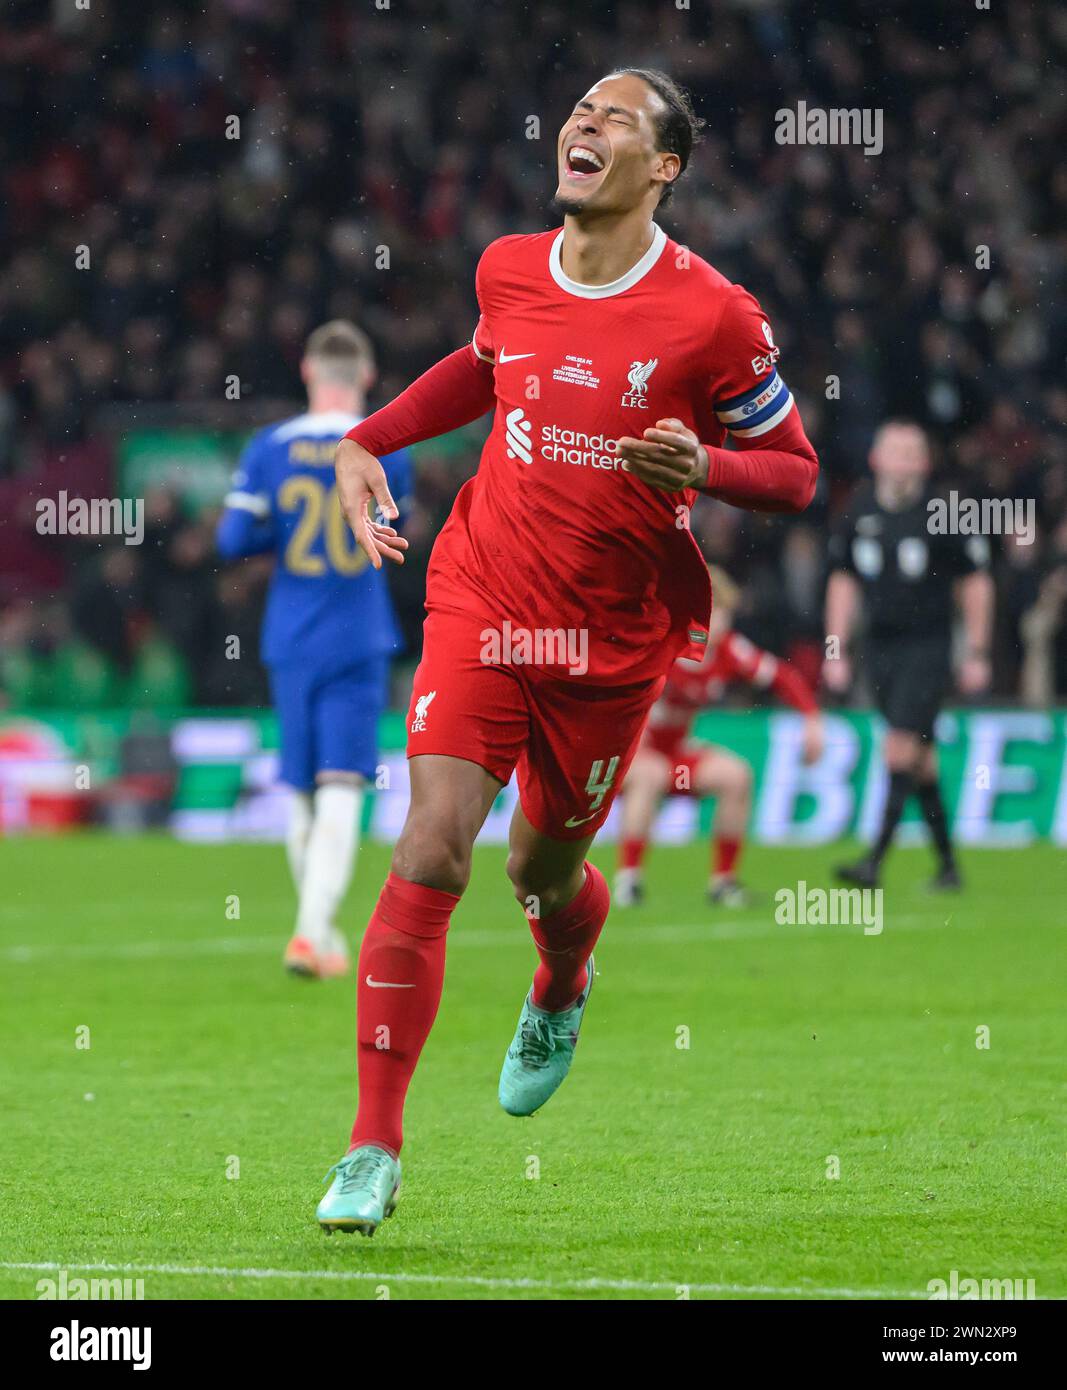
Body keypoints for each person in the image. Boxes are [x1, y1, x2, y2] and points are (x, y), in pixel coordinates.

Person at [317, 69, 818, 1235]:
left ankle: (560, 980)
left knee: (539, 873)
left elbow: (793, 471)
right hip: (482, 594)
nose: (581, 124)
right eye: (578, 110)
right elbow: (480, 367)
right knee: (434, 846)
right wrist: (367, 439)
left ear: (665, 168)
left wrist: (707, 468)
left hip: (610, 640)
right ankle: (371, 1147)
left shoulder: (715, 316)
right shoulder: (507, 266)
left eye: (614, 118)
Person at [216, 321, 412, 977]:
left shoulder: (269, 447)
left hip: (290, 635)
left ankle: (316, 935)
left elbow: (231, 539)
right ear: (366, 377)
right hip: (357, 631)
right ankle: (310, 932)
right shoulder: (388, 446)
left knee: (300, 784)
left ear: (307, 372)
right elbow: (392, 529)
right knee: (342, 779)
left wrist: (281, 528)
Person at [823, 420, 993, 890]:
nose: (904, 458)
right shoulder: (858, 508)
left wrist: (976, 651)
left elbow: (975, 581)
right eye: (894, 449)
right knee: (921, 759)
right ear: (876, 458)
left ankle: (872, 863)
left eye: (912, 450)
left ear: (925, 461)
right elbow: (843, 579)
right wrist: (835, 649)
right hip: (879, 648)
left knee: (899, 746)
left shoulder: (947, 510)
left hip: (929, 645)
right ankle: (949, 868)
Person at [615, 566, 824, 908]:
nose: (717, 622)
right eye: (710, 612)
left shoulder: (730, 650)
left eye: (723, 612)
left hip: (675, 755)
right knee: (649, 775)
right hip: (631, 754)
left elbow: (781, 676)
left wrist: (812, 718)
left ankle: (723, 883)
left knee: (736, 776)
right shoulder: (664, 642)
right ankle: (629, 881)